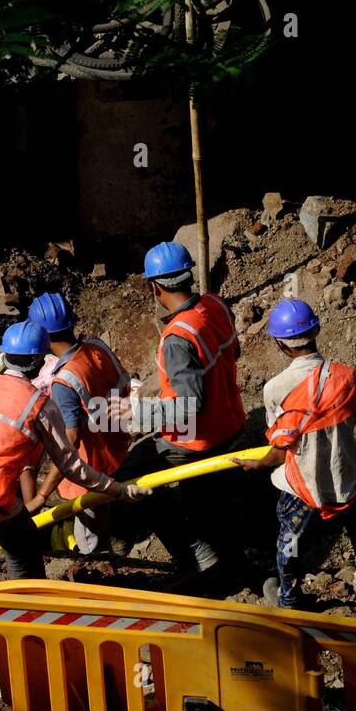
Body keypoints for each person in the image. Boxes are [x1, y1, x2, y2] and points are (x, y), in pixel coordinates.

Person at [0, 320, 150, 590]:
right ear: (37, 363)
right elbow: (71, 465)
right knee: (22, 541)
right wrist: (116, 489)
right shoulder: (39, 404)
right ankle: (29, 601)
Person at [231, 299, 356, 618]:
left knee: (290, 543)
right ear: (316, 331)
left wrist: (255, 464)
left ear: (280, 344)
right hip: (348, 481)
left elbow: (280, 448)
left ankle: (290, 600)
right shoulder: (347, 377)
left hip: (301, 487)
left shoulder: (276, 389)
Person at [114, 241, 246, 576]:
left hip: (199, 439)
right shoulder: (215, 304)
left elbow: (189, 408)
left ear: (155, 287)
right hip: (232, 421)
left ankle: (195, 553)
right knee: (198, 498)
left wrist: (139, 414)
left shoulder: (177, 338)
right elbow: (234, 354)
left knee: (130, 475)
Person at [26, 292, 132, 556]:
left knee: (91, 546)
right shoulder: (99, 348)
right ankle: (117, 540)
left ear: (43, 336)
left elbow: (70, 444)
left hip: (89, 473)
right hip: (116, 450)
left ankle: (105, 580)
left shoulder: (64, 382)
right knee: (106, 513)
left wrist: (42, 495)